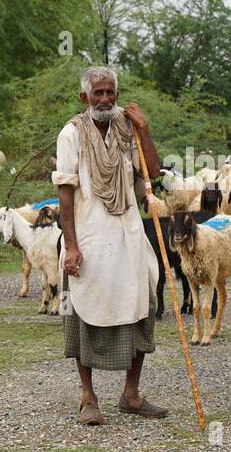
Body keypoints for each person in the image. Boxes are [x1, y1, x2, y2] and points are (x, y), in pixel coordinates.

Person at [53, 65, 168, 425]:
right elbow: (65, 193)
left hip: (129, 231)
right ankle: (88, 397)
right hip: (89, 236)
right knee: (83, 310)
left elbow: (151, 170)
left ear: (117, 94)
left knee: (142, 302)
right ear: (84, 98)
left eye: (110, 92)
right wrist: (71, 246)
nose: (104, 99)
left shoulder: (127, 127)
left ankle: (131, 394)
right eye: (97, 93)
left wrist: (144, 129)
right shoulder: (71, 134)